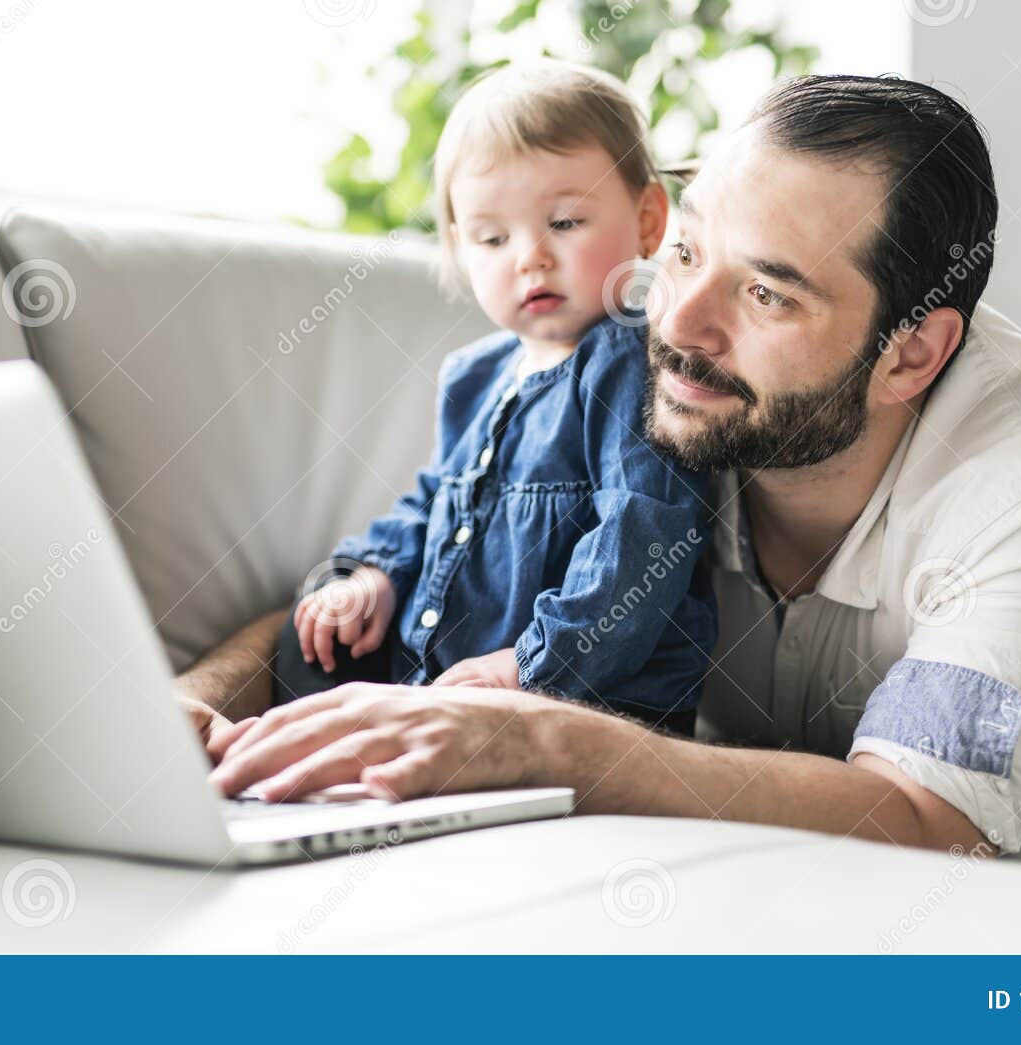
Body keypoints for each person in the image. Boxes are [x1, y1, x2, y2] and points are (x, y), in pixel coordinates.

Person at [178, 74, 1021, 857]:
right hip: (935, 422)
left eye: (765, 290)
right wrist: (196, 694)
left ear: (914, 350)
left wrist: (550, 737)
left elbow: (927, 818)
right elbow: (395, 582)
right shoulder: (641, 391)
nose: (680, 322)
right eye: (683, 251)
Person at [271, 60, 717, 735]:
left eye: (565, 222)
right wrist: (375, 576)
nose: (530, 256)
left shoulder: (629, 362)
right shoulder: (474, 376)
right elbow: (431, 501)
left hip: (582, 707)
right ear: (459, 247)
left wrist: (528, 663)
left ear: (649, 219)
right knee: (303, 644)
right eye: (492, 238)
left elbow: (642, 537)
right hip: (447, 687)